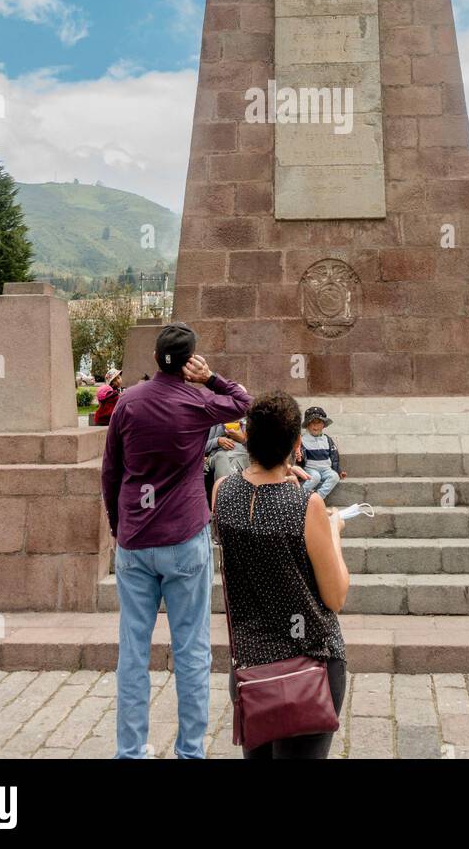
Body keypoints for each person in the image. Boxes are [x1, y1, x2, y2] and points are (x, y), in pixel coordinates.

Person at [101, 322, 251, 760]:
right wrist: (211, 379)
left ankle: (129, 752)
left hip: (135, 539)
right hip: (185, 538)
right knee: (191, 649)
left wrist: (119, 525)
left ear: (155, 357)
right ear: (190, 361)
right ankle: (190, 752)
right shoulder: (199, 402)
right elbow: (244, 403)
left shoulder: (127, 403)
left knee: (132, 650)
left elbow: (111, 473)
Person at [213, 391, 349, 761]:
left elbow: (253, 501)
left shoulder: (221, 492)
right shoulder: (308, 505)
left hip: (251, 665)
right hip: (308, 664)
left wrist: (277, 471)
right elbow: (336, 596)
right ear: (296, 442)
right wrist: (333, 532)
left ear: (248, 438)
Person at [299, 406, 345, 501]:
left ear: (323, 425)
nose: (315, 426)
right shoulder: (303, 440)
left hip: (325, 469)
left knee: (334, 477)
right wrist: (299, 457)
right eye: (312, 423)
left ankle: (319, 498)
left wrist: (338, 471)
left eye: (318, 423)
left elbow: (334, 457)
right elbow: (299, 457)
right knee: (315, 477)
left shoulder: (327, 439)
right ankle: (300, 496)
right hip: (310, 469)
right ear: (307, 425)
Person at [206, 417, 249, 482]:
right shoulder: (214, 419)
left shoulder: (248, 419)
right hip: (219, 456)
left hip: (243, 455)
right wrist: (217, 441)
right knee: (221, 457)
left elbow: (260, 449)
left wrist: (243, 440)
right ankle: (227, 490)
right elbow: (199, 447)